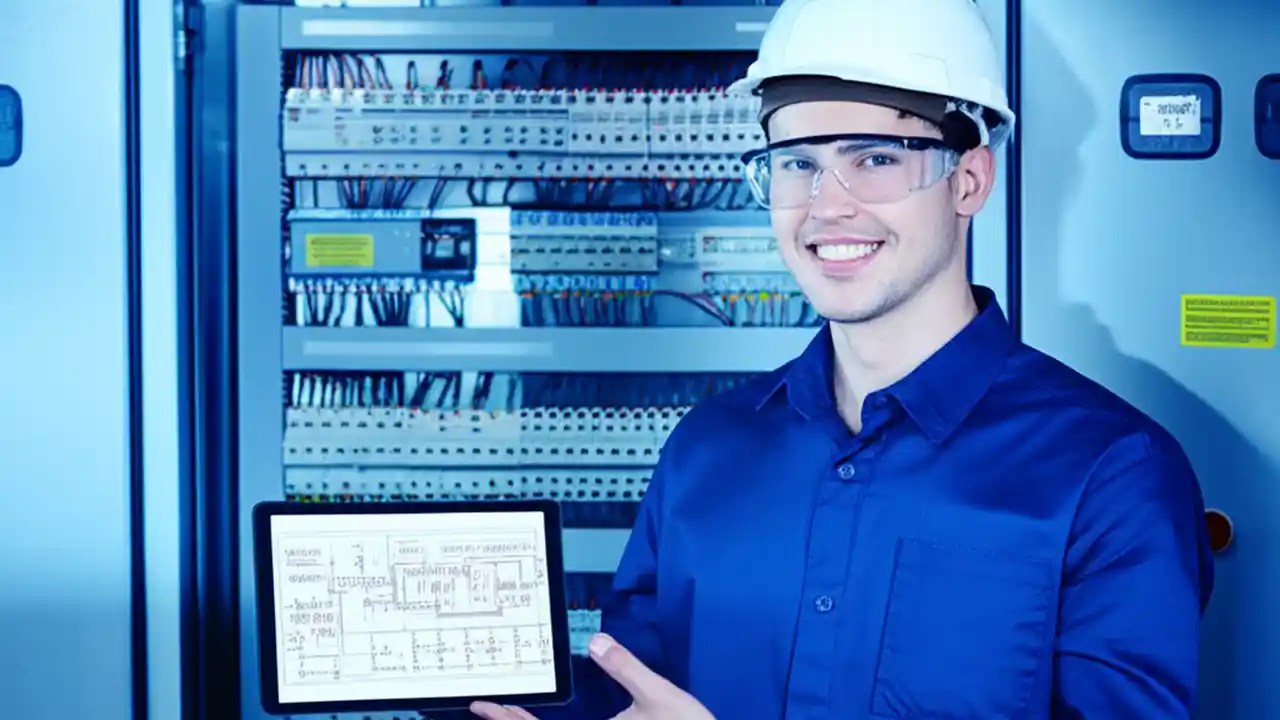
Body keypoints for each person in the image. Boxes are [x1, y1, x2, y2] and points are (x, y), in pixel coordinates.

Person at [474, 0, 1214, 717]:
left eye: (876, 159)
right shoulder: (708, 448)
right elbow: (635, 692)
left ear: (969, 180)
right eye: (797, 163)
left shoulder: (1109, 472)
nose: (827, 206)